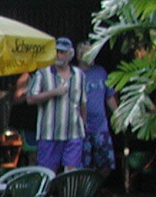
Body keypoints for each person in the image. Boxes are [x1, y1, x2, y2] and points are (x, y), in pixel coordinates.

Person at [26, 37, 86, 172]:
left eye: (63, 52)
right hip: (49, 133)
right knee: (48, 172)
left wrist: (84, 125)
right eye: (57, 51)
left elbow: (83, 103)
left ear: (71, 54)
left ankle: (69, 194)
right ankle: (49, 194)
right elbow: (30, 98)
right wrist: (53, 92)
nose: (59, 55)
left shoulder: (79, 75)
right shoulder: (42, 73)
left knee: (71, 170)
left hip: (74, 132)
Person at [77, 40, 118, 185]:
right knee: (84, 165)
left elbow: (109, 97)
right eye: (88, 53)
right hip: (82, 128)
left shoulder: (101, 72)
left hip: (101, 128)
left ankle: (92, 190)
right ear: (79, 56)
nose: (91, 56)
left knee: (107, 164)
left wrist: (118, 116)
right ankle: (85, 194)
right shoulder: (75, 74)